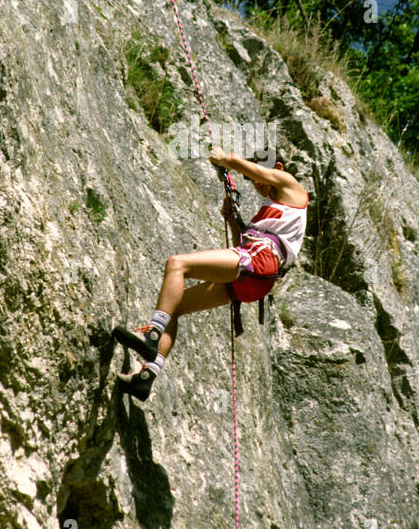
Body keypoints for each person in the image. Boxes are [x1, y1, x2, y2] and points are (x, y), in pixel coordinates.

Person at [113, 145, 309, 400]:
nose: (256, 184)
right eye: (253, 182)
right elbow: (243, 246)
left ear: (277, 168)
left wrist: (225, 160)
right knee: (176, 306)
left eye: (258, 177)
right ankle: (147, 375)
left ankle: (152, 334)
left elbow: (252, 252)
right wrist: (230, 218)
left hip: (260, 263)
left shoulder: (290, 185)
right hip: (257, 278)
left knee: (177, 264)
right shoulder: (275, 212)